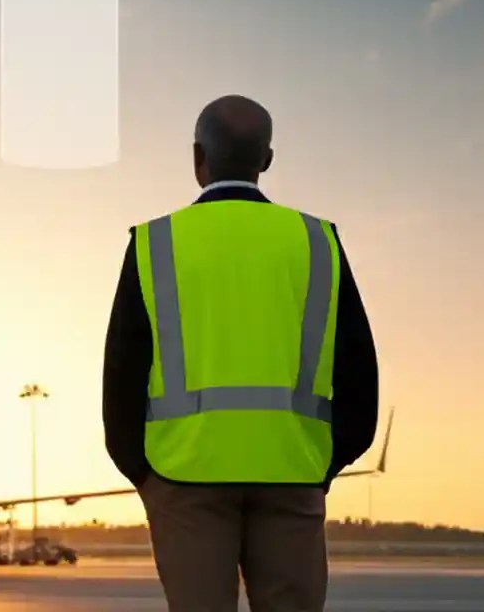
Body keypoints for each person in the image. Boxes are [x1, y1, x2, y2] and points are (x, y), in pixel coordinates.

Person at [102, 95, 379, 612]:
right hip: (291, 471)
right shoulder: (317, 241)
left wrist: (145, 475)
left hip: (184, 473)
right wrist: (323, 465)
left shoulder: (155, 243)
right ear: (266, 159)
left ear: (197, 157)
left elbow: (121, 375)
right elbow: (361, 374)